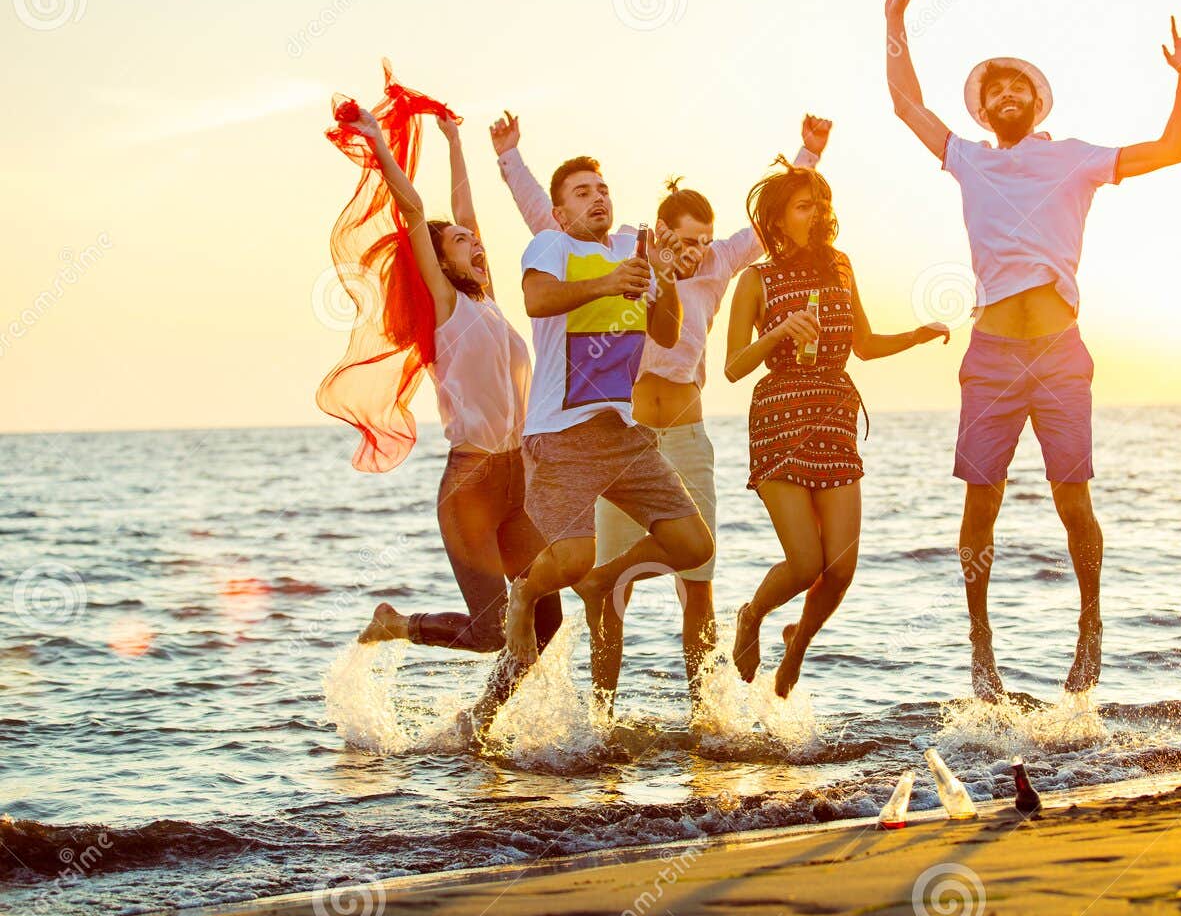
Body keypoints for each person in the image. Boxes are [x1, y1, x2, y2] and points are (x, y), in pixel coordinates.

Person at [881, 0, 1181, 700]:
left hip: (1061, 353)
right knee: (980, 504)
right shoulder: (965, 158)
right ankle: (981, 643)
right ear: (984, 108)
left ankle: (1090, 629)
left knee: (1073, 501)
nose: (1004, 96)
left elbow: (1174, 147)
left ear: (1035, 100)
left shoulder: (1075, 159)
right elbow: (905, 103)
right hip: (992, 354)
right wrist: (897, 19)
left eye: (1015, 87)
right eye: (992, 90)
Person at [488, 114, 830, 701]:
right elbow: (542, 268)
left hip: (654, 435)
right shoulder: (576, 245)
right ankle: (593, 702)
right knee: (577, 566)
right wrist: (509, 157)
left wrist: (809, 154)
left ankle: (702, 713)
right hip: (583, 430)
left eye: (602, 188)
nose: (696, 249)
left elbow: (756, 231)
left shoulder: (689, 260)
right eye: (582, 192)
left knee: (697, 563)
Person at [324, 85, 563, 706]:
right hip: (472, 488)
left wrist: (457, 139)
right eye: (460, 242)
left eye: (475, 239)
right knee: (489, 632)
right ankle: (395, 625)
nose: (476, 242)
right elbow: (415, 212)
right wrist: (379, 145)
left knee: (546, 619)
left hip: (519, 480)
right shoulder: (447, 307)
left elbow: (466, 210)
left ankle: (478, 725)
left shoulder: (487, 302)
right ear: (439, 260)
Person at [496, 156, 715, 716]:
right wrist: (608, 283)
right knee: (568, 558)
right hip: (559, 435)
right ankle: (524, 591)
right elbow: (536, 300)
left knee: (694, 546)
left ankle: (602, 583)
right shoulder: (553, 246)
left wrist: (661, 276)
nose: (597, 198)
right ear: (559, 210)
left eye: (602, 189)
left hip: (621, 433)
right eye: (581, 192)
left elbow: (665, 332)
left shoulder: (632, 251)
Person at [725, 158, 950, 698]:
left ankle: (796, 644)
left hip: (834, 414)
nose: (818, 213)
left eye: (821, 204)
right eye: (805, 206)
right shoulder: (755, 280)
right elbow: (734, 367)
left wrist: (918, 335)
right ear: (778, 221)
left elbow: (865, 347)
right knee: (805, 563)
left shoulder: (841, 266)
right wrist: (778, 331)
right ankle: (751, 616)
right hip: (779, 419)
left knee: (842, 568)